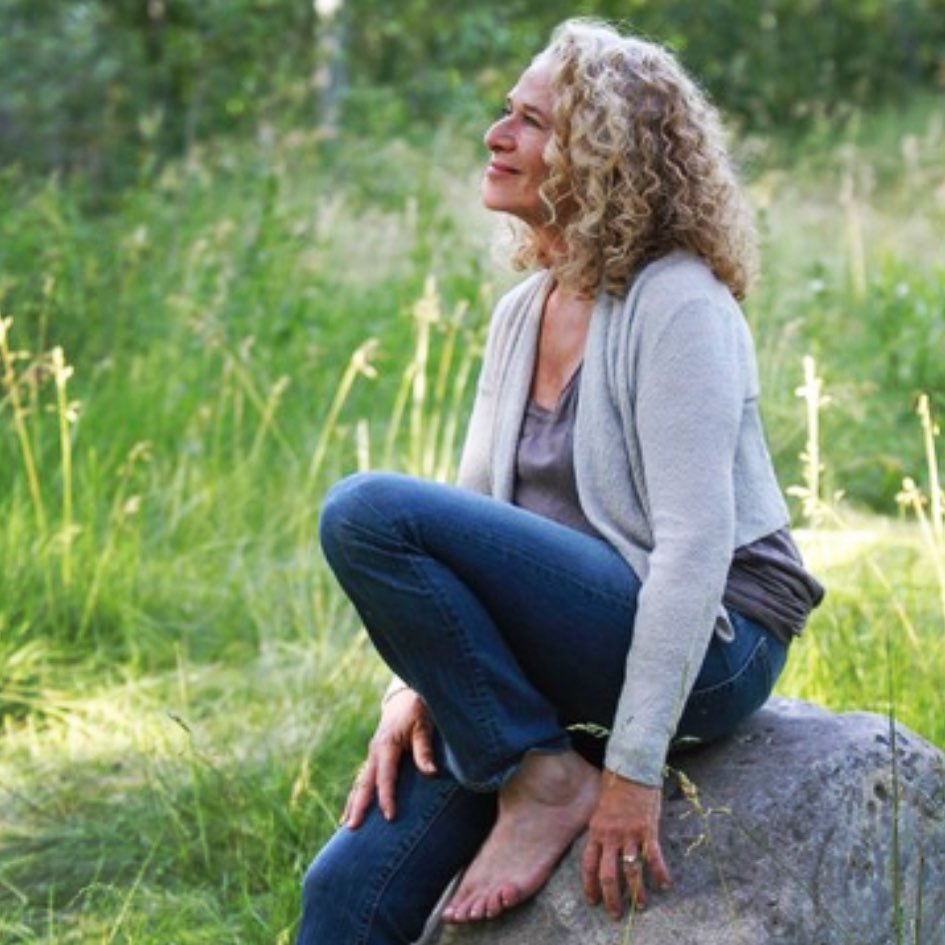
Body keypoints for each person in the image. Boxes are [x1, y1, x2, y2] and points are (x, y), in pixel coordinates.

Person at [295, 17, 824, 945]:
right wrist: (416, 686)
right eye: (506, 112)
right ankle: (535, 764)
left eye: (531, 122)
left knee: (363, 511)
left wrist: (631, 769)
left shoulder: (679, 303)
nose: (496, 136)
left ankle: (545, 779)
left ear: (601, 155)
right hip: (566, 647)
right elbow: (472, 520)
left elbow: (695, 546)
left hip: (709, 644)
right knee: (345, 889)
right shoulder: (521, 310)